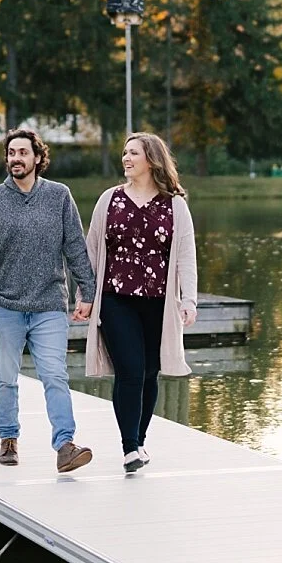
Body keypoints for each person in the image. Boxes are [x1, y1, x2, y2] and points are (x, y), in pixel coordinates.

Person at [0, 128, 95, 473]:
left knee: (55, 375)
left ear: (38, 158)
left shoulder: (59, 196)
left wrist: (87, 291)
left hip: (49, 305)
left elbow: (75, 246)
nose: (16, 159)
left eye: (23, 152)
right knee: (6, 376)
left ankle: (65, 446)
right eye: (11, 153)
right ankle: (8, 438)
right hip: (5, 307)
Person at [83, 132, 197, 472]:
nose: (126, 158)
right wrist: (85, 297)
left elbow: (186, 256)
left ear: (152, 159)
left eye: (133, 153)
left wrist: (189, 300)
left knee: (149, 373)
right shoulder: (110, 200)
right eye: (125, 152)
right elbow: (91, 251)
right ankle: (129, 448)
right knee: (130, 370)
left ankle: (140, 440)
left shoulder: (175, 205)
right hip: (115, 300)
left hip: (158, 303)